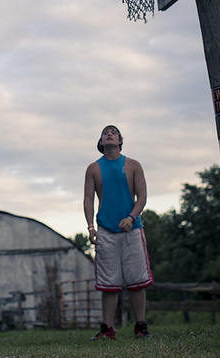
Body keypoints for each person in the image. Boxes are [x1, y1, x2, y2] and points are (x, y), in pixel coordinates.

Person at [83, 125, 153, 340]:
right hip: (105, 230)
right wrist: (90, 227)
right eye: (105, 133)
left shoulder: (133, 165)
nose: (109, 134)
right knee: (108, 284)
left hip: (132, 229)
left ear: (120, 140)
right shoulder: (93, 168)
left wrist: (131, 217)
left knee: (137, 280)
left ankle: (140, 327)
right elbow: (88, 199)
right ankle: (107, 329)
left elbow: (142, 196)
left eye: (113, 132)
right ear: (101, 142)